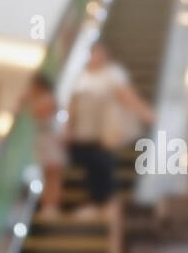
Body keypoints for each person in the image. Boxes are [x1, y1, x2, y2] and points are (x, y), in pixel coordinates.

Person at [64, 42, 155, 219]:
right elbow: (72, 105)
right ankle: (96, 202)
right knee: (90, 165)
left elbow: (126, 96)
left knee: (103, 163)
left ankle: (107, 202)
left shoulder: (113, 74)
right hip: (84, 130)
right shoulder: (81, 77)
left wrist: (145, 113)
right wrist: (68, 127)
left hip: (105, 130)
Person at [20, 73, 66, 218]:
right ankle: (48, 205)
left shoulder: (47, 99)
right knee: (48, 174)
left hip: (49, 139)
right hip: (43, 139)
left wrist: (29, 99)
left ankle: (51, 205)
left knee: (53, 173)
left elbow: (38, 113)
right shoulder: (40, 99)